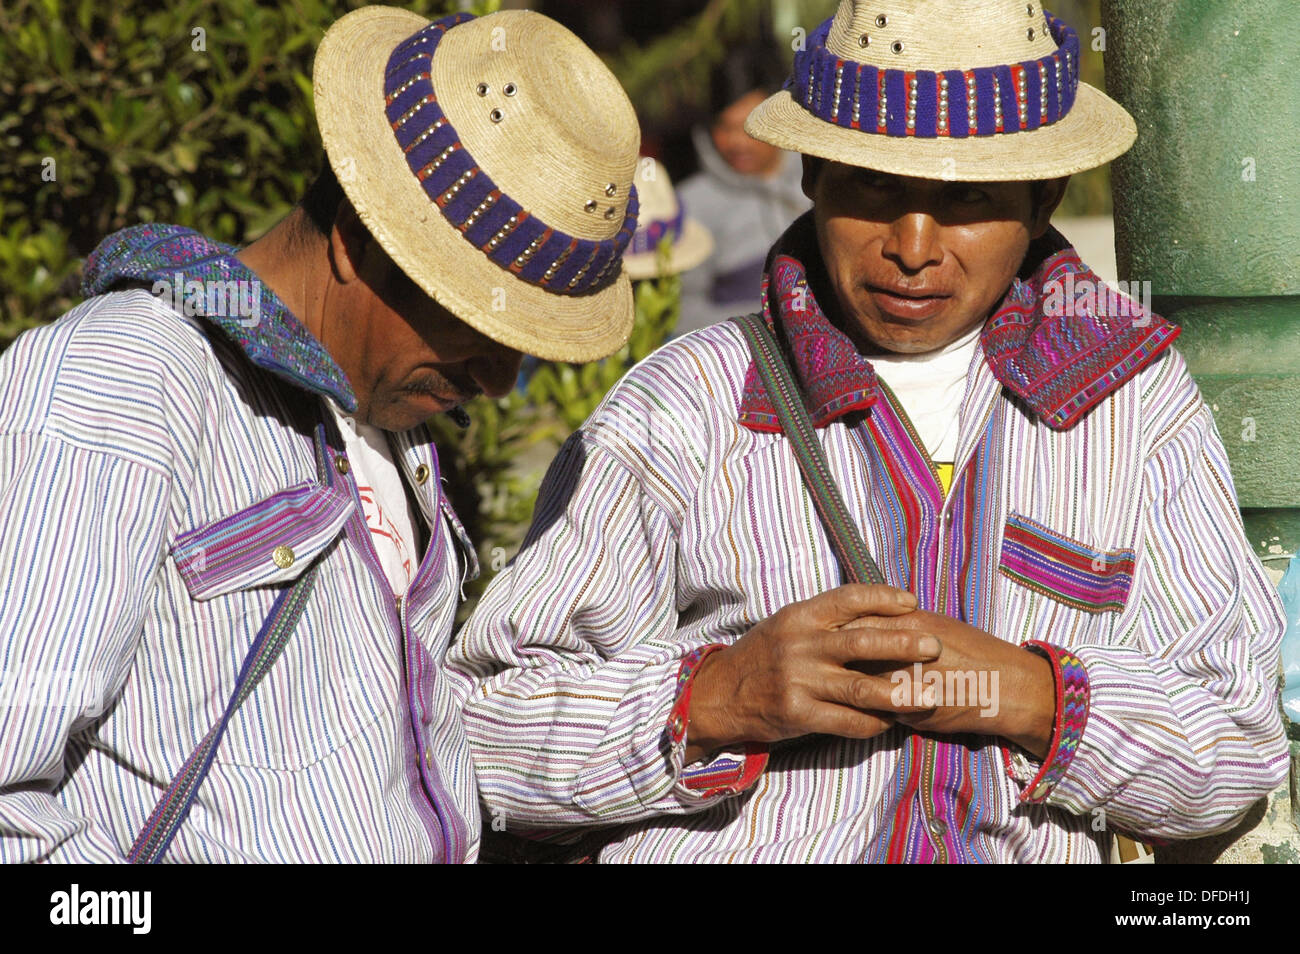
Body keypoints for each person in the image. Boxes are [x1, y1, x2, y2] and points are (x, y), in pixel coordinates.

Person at [448, 0, 1289, 863]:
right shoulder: (683, 405)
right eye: (875, 187)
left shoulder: (1132, 405)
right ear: (814, 172)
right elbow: (476, 736)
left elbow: (1236, 746)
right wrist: (718, 697)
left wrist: (1029, 693)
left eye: (966, 199)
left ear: (1044, 202)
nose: (913, 247)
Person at [0, 6, 640, 863]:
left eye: (518, 351)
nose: (491, 384)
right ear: (357, 239)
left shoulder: (391, 426)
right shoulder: (120, 379)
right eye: (476, 333)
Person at [674, 42, 810, 336]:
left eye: (748, 125)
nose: (737, 142)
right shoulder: (688, 206)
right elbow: (678, 312)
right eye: (724, 127)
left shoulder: (819, 177)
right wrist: (763, 329)